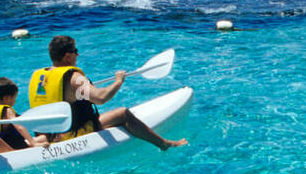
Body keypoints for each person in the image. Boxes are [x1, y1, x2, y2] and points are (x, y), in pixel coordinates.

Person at [29, 35, 187, 150]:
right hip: (72, 134)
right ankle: (164, 144)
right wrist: (118, 81)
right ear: (67, 56)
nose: (78, 55)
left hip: (51, 135)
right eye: (75, 51)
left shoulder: (40, 76)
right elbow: (101, 98)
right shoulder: (73, 77)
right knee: (123, 113)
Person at [0, 77, 35, 151]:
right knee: (45, 139)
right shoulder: (7, 110)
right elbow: (19, 127)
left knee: (42, 138)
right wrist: (33, 143)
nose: (15, 100)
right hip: (13, 146)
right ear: (7, 98)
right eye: (15, 97)